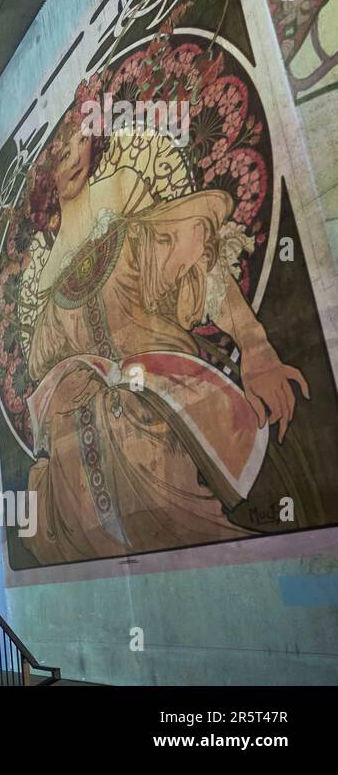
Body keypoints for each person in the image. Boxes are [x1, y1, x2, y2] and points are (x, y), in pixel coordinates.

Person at [19, 114, 308, 564]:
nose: (72, 157)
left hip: (164, 398)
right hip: (82, 432)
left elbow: (207, 271)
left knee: (129, 420)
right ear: (46, 178)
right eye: (59, 154)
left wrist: (257, 349)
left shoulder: (133, 228)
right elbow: (44, 383)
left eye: (79, 143)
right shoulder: (51, 297)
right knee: (53, 478)